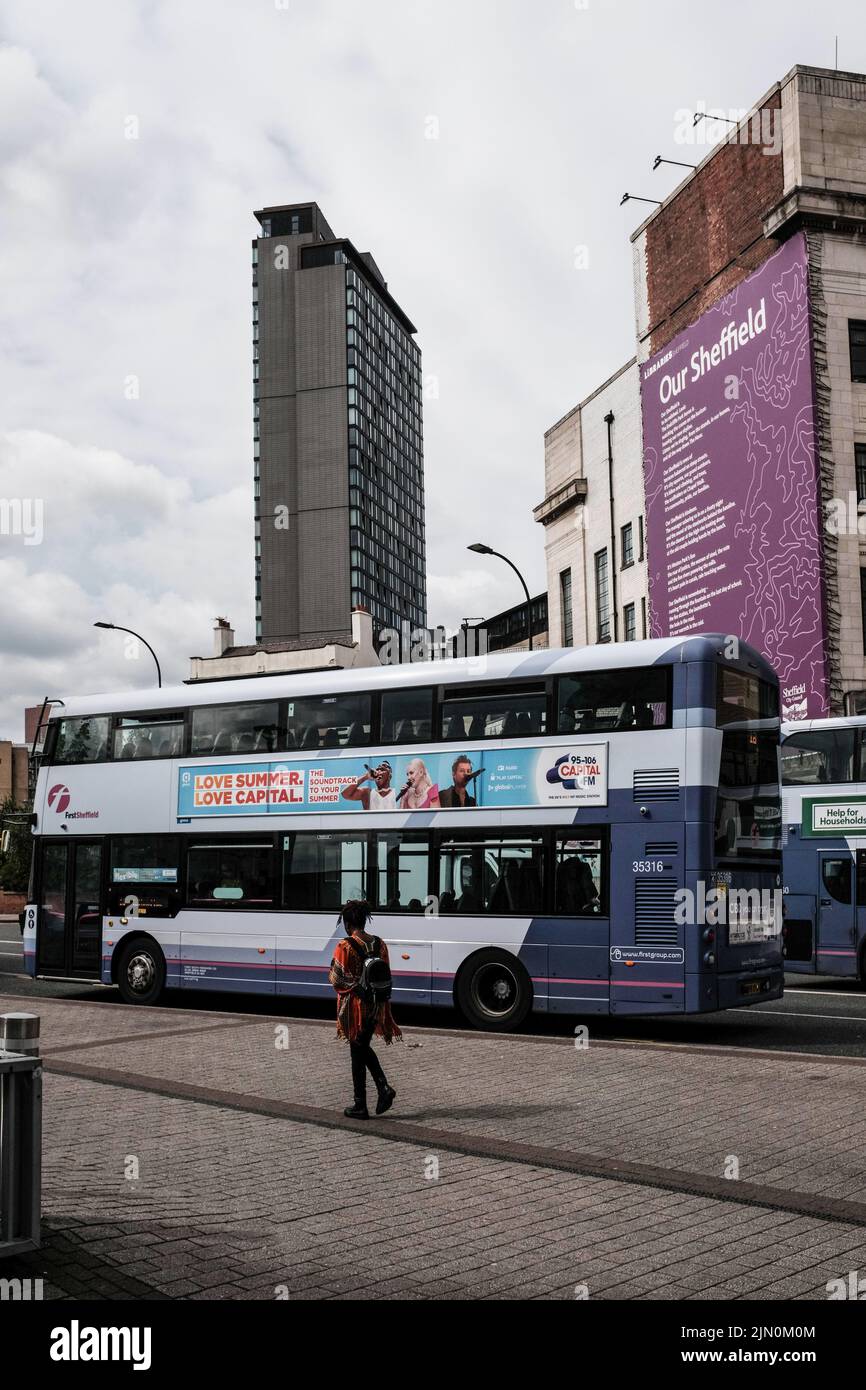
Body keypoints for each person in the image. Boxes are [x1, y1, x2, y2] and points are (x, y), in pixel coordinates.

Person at [328, 900, 401, 1118]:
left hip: (355, 1008)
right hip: (376, 1006)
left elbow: (336, 978)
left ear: (349, 923)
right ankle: (380, 1090)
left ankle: (363, 1103)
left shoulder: (345, 945)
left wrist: (355, 988)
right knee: (361, 1049)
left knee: (357, 1051)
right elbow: (386, 973)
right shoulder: (380, 944)